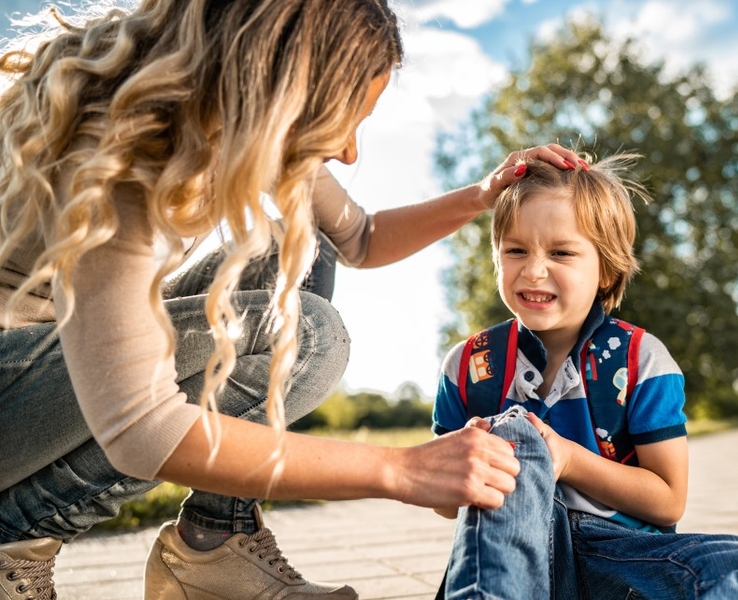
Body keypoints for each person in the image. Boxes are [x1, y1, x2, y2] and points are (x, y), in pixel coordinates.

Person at [0, 1, 586, 598]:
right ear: (282, 87)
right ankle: (12, 540)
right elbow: (140, 426)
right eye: (344, 118)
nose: (350, 152)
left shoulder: (230, 114)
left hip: (42, 372)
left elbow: (361, 237)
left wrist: (482, 195)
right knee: (306, 334)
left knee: (301, 250)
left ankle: (214, 547)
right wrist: (399, 469)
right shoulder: (117, 149)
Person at [431, 156, 738, 599]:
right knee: (515, 437)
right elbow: (445, 506)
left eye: (561, 252)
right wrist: (460, 459)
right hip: (511, 566)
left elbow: (668, 499)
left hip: (623, 558)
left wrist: (568, 459)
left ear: (606, 268)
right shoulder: (468, 365)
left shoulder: (644, 360)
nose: (533, 270)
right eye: (515, 250)